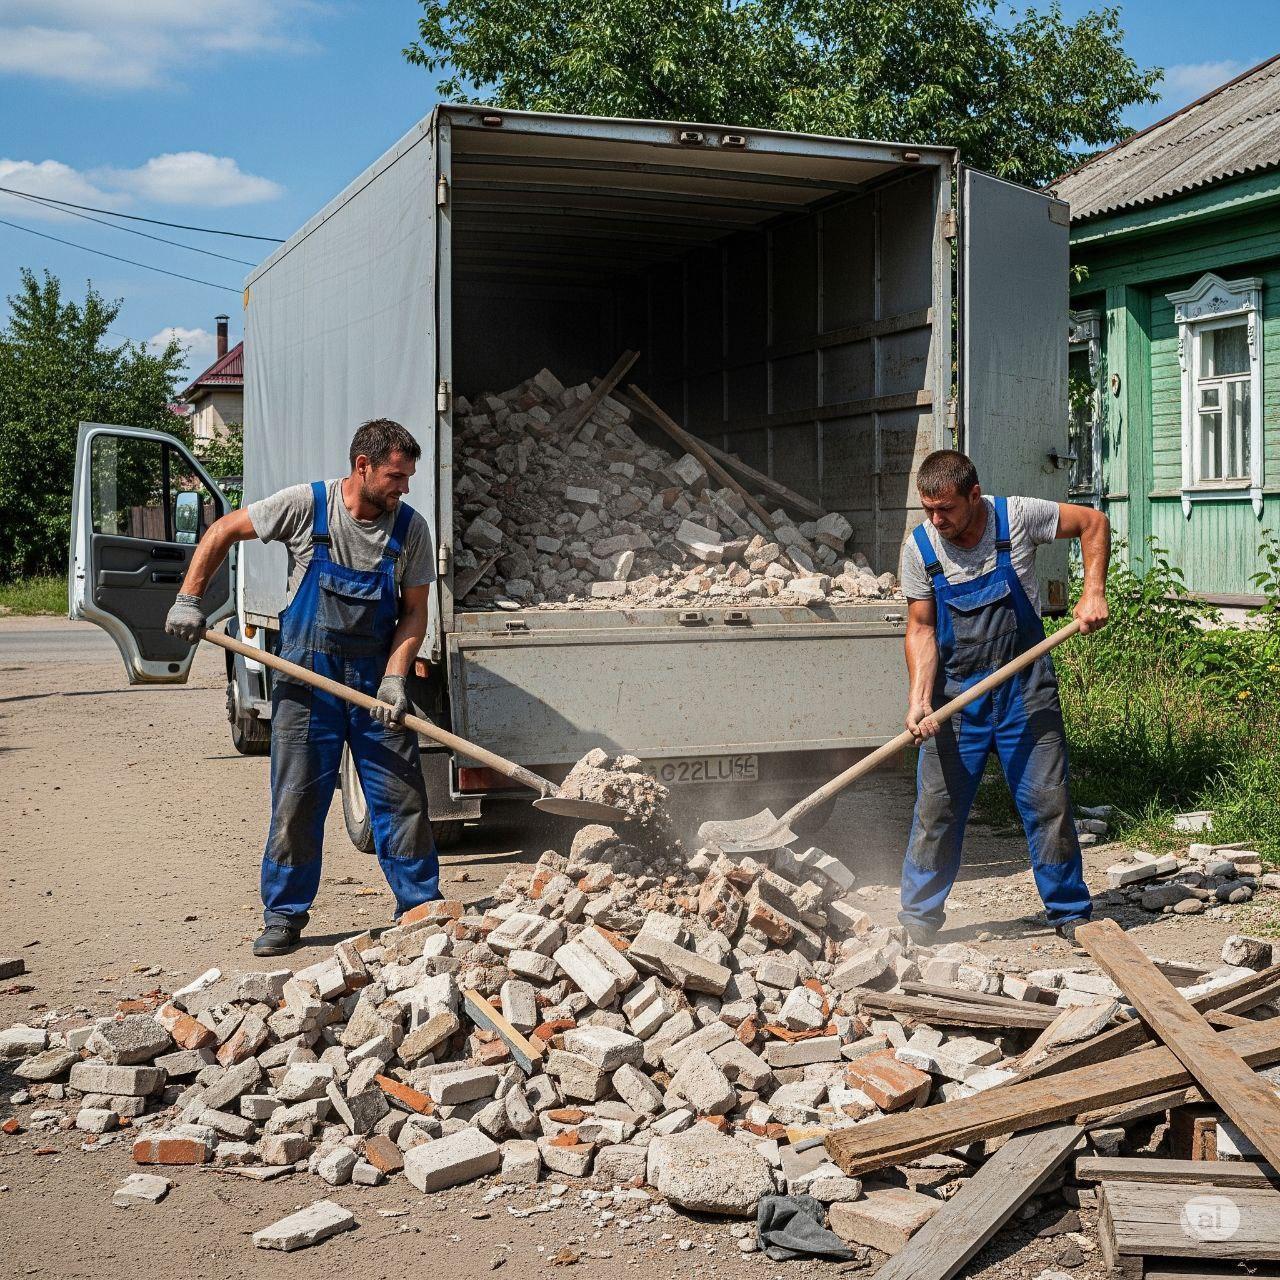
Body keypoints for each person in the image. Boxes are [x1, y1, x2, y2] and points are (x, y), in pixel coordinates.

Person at [164, 418, 441, 956]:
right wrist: (188, 598)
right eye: (395, 476)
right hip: (306, 681)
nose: (403, 488)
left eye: (407, 477)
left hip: (373, 686)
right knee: (296, 800)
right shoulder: (307, 507)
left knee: (401, 798)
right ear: (362, 466)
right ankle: (285, 915)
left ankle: (420, 907)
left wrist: (394, 677)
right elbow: (222, 531)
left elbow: (413, 613)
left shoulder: (410, 529)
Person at [897, 449, 1109, 946]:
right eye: (928, 509)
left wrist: (1093, 591)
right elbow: (921, 629)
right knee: (936, 812)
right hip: (957, 700)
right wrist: (920, 699)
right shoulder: (920, 548)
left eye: (946, 509)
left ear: (974, 495)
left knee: (1048, 802)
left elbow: (1093, 523)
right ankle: (918, 922)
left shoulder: (1016, 517)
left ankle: (1069, 912)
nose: (936, 520)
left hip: (1024, 690)